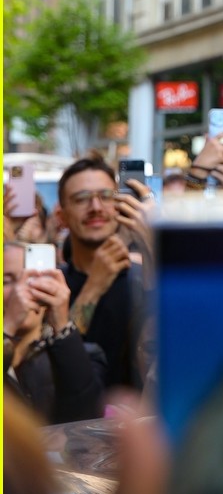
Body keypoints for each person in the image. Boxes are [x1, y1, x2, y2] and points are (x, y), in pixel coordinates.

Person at [56, 158, 150, 390]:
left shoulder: (145, 278)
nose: (96, 207)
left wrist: (155, 249)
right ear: (62, 216)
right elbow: (55, 361)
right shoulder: (52, 284)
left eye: (106, 195)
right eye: (81, 199)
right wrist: (93, 286)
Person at [4, 241, 105, 424]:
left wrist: (61, 322)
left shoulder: (83, 354)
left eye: (30, 279)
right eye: (6, 281)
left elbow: (88, 418)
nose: (20, 290)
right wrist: (7, 326)